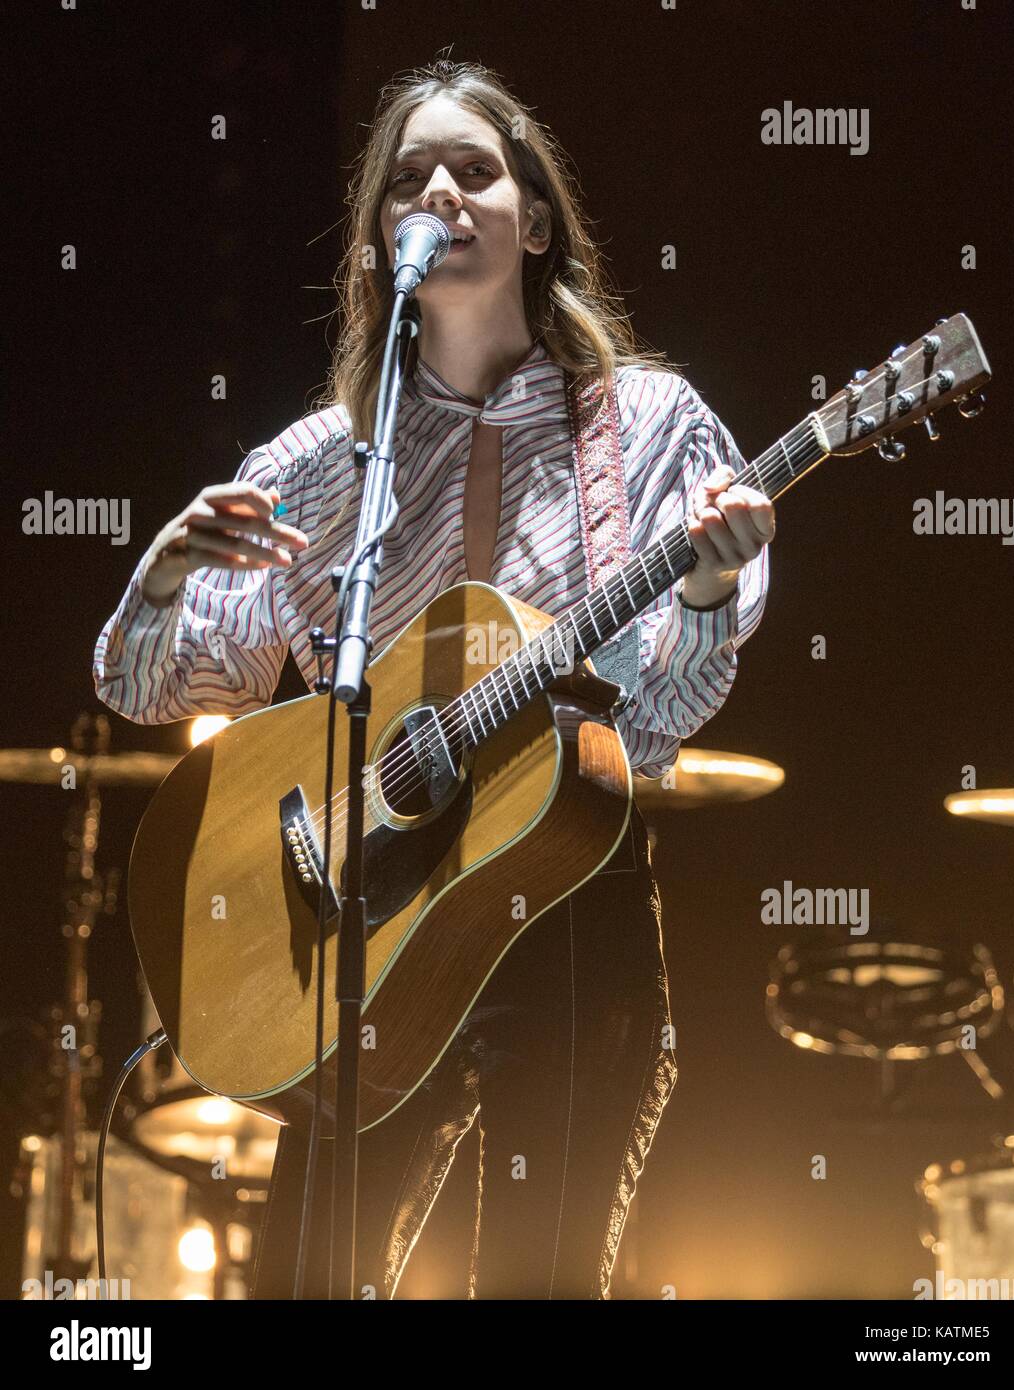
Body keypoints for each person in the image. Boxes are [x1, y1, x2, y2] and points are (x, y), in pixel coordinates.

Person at [93, 59, 773, 1299]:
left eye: (475, 169)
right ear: (372, 247)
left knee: (536, 1281)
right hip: (364, 925)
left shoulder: (654, 427)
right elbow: (150, 686)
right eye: (407, 179)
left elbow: (662, 725)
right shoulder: (319, 460)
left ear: (538, 219)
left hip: (565, 911)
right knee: (307, 1280)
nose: (441, 193)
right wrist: (156, 577)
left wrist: (707, 590)